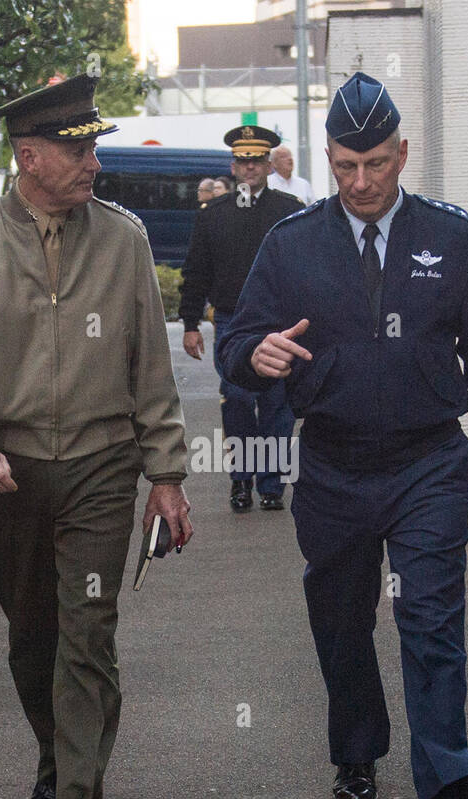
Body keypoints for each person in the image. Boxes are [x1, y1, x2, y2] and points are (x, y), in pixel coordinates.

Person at [217, 72, 468, 799]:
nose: (362, 184)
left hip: (428, 462)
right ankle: (356, 749)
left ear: (403, 152)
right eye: (346, 167)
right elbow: (237, 346)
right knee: (342, 619)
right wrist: (255, 357)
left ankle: (440, 795)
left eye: (377, 166)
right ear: (327, 156)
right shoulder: (290, 245)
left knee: (431, 623)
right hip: (331, 466)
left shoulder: (451, 238)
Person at [0, 73, 192, 799]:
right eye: (77, 149)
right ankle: (54, 749)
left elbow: (150, 366)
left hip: (104, 468)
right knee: (32, 636)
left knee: (89, 635)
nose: (93, 162)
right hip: (12, 476)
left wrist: (168, 475)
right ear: (28, 156)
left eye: (93, 145)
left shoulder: (125, 241)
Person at [180, 125, 303, 511]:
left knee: (276, 404)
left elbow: (307, 270)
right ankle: (240, 480)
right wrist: (189, 323)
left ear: (268, 166)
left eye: (256, 162)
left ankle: (271, 485)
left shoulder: (289, 211)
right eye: (242, 162)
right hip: (232, 321)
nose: (249, 169)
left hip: (279, 323)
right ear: (233, 167)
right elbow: (197, 269)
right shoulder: (213, 215)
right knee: (235, 400)